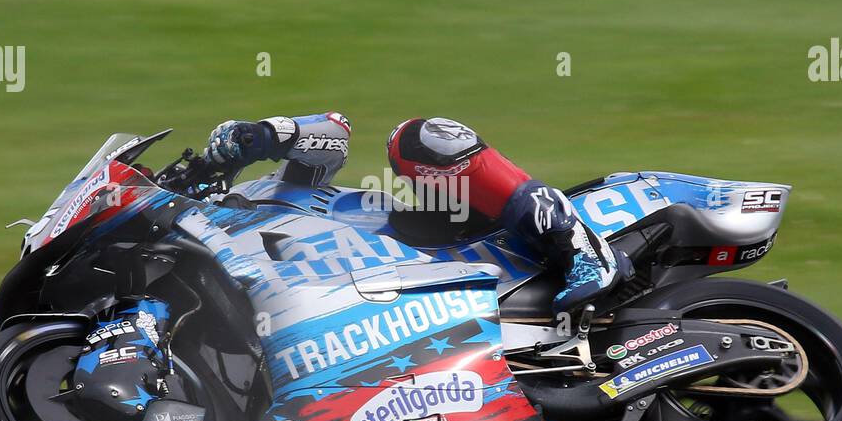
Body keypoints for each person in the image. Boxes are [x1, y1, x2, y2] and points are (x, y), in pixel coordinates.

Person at [199, 113, 628, 317]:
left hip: (444, 239)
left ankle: (581, 249)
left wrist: (262, 137)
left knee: (418, 140)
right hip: (375, 284)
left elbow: (336, 131)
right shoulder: (216, 247)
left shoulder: (265, 190)